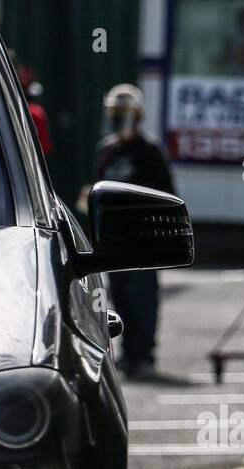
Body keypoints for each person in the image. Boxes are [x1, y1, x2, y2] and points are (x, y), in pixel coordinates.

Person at [84, 83, 176, 380]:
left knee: (142, 298)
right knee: (121, 297)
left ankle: (144, 354)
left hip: (141, 241)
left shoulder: (149, 151)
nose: (120, 119)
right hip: (114, 241)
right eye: (116, 113)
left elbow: (165, 193)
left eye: (125, 113)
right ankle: (128, 353)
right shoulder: (107, 150)